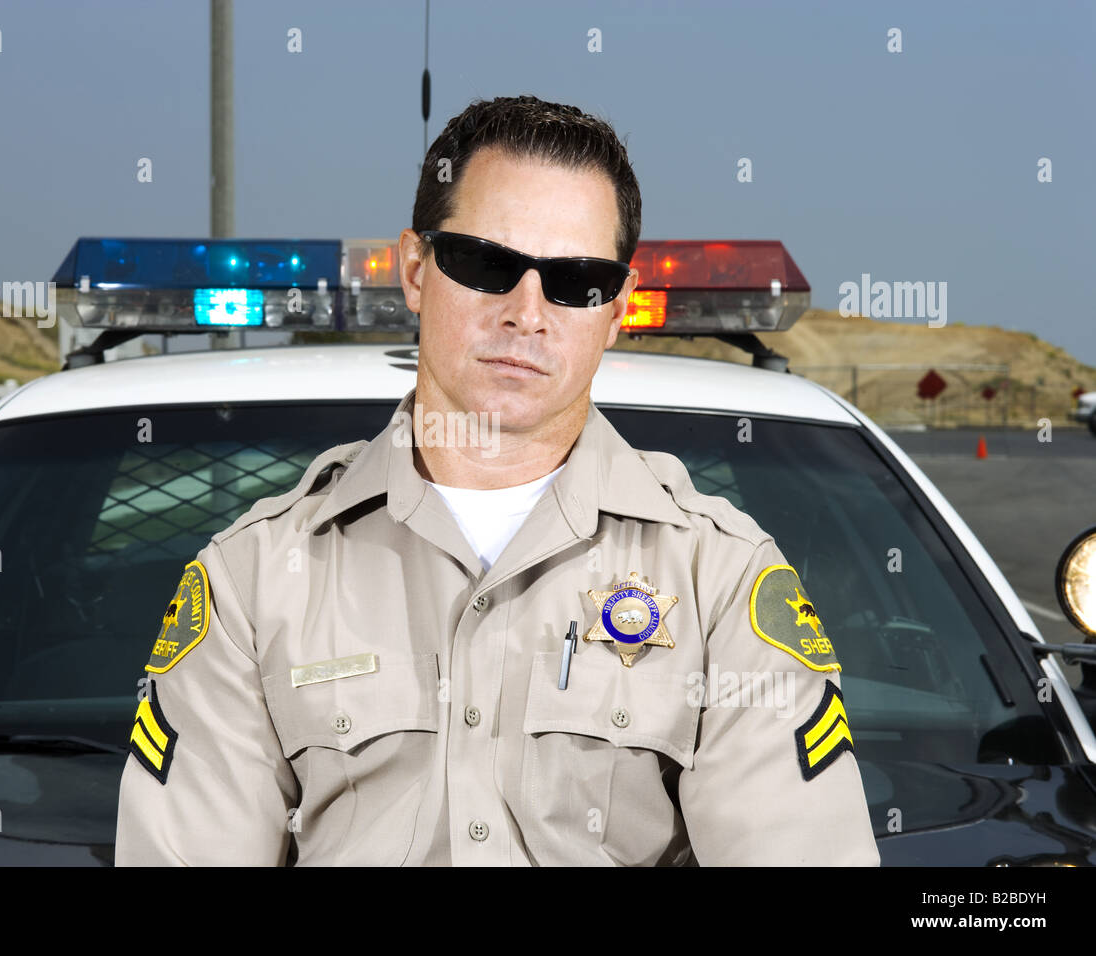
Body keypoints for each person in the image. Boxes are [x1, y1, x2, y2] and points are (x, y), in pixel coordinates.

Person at [115, 94, 881, 866]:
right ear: (416, 269)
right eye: (487, 264)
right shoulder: (253, 582)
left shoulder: (719, 580)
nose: (527, 312)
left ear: (614, 307)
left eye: (576, 280)